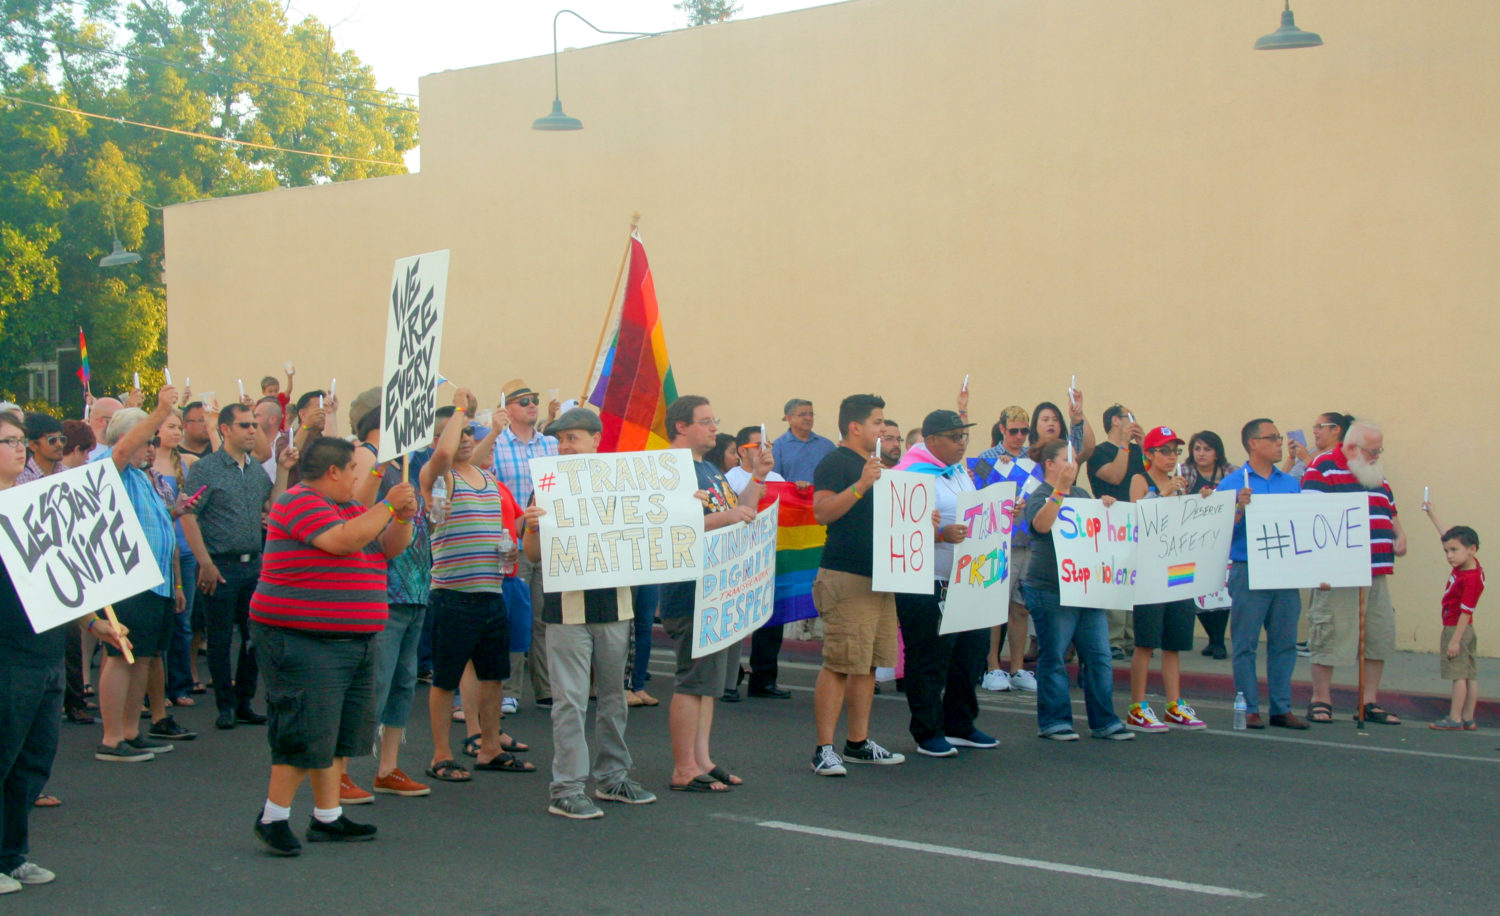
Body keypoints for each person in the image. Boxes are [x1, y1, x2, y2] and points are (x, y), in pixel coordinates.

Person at [249, 436, 417, 856]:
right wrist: (388, 506)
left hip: (350, 636)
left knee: (339, 732)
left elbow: (389, 548)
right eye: (355, 470)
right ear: (334, 472)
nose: (359, 478)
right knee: (306, 729)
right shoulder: (297, 501)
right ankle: (273, 816)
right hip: (302, 638)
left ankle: (327, 815)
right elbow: (343, 541)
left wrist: (402, 518)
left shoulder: (352, 508)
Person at [0, 410, 131, 893]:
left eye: (19, 440)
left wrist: (96, 623)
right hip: (7, 655)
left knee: (32, 760)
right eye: (8, 441)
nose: (19, 447)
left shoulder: (34, 504)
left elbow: (60, 582)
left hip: (45, 654)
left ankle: (12, 855)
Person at [521, 407, 658, 818]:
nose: (565, 447)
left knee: (614, 697)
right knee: (571, 700)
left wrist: (681, 507)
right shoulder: (544, 486)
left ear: (597, 438)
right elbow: (532, 555)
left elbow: (654, 525)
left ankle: (613, 777)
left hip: (616, 606)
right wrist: (530, 527)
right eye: (560, 440)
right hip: (566, 610)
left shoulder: (624, 482)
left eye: (573, 438)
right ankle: (566, 787)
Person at [422, 392, 533, 783]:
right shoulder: (440, 478)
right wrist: (457, 411)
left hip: (490, 592)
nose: (465, 437)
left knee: (492, 676)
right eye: (457, 433)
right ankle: (441, 755)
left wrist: (491, 430)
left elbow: (475, 451)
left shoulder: (485, 476)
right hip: (453, 596)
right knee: (446, 678)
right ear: (438, 440)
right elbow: (444, 456)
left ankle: (489, 747)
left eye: (470, 431)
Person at [661, 396, 770, 791]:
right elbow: (672, 527)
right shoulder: (669, 468)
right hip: (688, 591)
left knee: (708, 685)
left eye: (714, 420)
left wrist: (757, 478)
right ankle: (683, 767)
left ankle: (702, 759)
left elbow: (742, 511)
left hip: (716, 589)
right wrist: (728, 516)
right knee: (692, 681)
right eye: (705, 421)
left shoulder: (708, 468)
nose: (713, 428)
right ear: (681, 427)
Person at [181, 403, 297, 730]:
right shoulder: (206, 468)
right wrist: (203, 561)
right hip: (220, 564)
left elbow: (274, 506)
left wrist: (284, 471)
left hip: (253, 566)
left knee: (254, 637)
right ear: (226, 430)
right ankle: (225, 705)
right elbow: (189, 513)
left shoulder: (256, 468)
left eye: (254, 426)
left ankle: (245, 701)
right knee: (219, 639)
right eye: (245, 425)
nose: (251, 431)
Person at [809, 393, 907, 776]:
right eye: (878, 422)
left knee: (866, 664)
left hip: (879, 576)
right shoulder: (836, 462)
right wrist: (861, 485)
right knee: (838, 662)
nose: (884, 429)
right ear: (855, 426)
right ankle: (823, 748)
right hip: (846, 575)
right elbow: (822, 512)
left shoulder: (875, 464)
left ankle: (857, 742)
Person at [892, 410, 996, 757]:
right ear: (932, 439)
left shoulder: (957, 472)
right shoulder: (908, 474)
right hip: (927, 581)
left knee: (969, 654)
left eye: (964, 436)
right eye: (955, 437)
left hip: (966, 579)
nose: (962, 443)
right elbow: (898, 527)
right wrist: (939, 534)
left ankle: (960, 724)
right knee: (930, 657)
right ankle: (928, 730)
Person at [93, 394, 186, 762]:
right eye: (147, 439)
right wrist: (160, 411)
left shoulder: (143, 478)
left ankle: (131, 731)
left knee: (143, 657)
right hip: (128, 582)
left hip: (157, 582)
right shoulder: (108, 466)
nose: (151, 446)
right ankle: (112, 737)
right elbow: (121, 448)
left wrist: (174, 583)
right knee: (122, 655)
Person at [1023, 439, 1132, 741]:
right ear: (1050, 465)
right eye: (1066, 459)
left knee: (1098, 656)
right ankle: (1054, 721)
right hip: (1051, 589)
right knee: (1055, 656)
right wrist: (1059, 492)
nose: (1073, 464)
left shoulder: (1082, 494)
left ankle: (1104, 720)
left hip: (1087, 588)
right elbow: (1041, 525)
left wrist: (1106, 507)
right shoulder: (1041, 494)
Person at [1301, 420, 1407, 725]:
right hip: (1339, 571)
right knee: (1330, 633)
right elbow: (1312, 518)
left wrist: (1399, 535)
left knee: (1378, 634)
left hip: (1376, 568)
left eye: (1379, 450)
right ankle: (1320, 699)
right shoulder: (1323, 467)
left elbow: (1389, 505)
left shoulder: (1373, 470)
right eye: (1372, 451)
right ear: (1350, 447)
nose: (1376, 456)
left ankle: (1368, 701)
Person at [1216, 419, 1307, 729]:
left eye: (1279, 438)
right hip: (1248, 569)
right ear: (1253, 443)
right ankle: (1249, 706)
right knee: (1245, 643)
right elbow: (1217, 534)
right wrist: (1238, 510)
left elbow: (1301, 530)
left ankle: (1281, 707)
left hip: (1284, 572)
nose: (1280, 443)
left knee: (1284, 643)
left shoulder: (1290, 483)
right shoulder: (1231, 483)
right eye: (1272, 438)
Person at [1123, 427, 1206, 732]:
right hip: (1150, 569)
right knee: (1146, 641)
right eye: (1165, 451)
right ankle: (1137, 705)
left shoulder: (1182, 485)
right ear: (1150, 454)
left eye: (1175, 451)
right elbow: (1138, 516)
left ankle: (1174, 703)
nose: (1171, 457)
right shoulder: (1140, 480)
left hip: (1177, 568)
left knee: (1175, 641)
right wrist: (1164, 492)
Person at [491, 378, 558, 710]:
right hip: (512, 540)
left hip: (545, 539)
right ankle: (509, 691)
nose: (532, 404)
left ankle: (545, 688)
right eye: (523, 401)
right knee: (515, 615)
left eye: (533, 399)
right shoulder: (498, 445)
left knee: (544, 616)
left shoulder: (550, 444)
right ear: (507, 409)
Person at [975, 405, 1038, 693]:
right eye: (1013, 431)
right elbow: (979, 494)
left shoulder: (1033, 458)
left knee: (1020, 608)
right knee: (994, 607)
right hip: (999, 541)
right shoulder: (988, 458)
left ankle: (1017, 668)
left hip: (1026, 540)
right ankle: (992, 667)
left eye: (1024, 431)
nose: (1019, 437)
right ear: (1002, 429)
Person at [726, 427, 791, 700]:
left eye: (769, 445)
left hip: (768, 557)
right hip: (739, 559)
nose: (766, 450)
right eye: (759, 445)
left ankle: (764, 679)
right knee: (734, 620)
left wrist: (796, 489)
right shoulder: (730, 478)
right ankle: (730, 677)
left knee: (770, 622)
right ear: (743, 450)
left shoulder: (777, 477)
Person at [1420, 499, 1483, 731]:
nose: (1449, 555)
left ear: (1472, 549)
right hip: (1463, 629)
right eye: (1447, 551)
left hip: (1457, 628)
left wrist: (1455, 640)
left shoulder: (1470, 579)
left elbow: (1467, 611)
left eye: (1454, 551)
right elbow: (1448, 536)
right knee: (1469, 673)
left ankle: (1455, 718)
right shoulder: (1468, 565)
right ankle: (1469, 717)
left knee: (1459, 675)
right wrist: (1432, 514)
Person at [1086, 403, 1141, 659]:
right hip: (1110, 523)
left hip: (1136, 521)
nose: (1133, 420)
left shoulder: (1136, 450)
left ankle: (1132, 637)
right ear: (1115, 422)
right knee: (1117, 579)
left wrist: (1144, 448)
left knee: (1134, 581)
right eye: (1128, 417)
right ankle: (1114, 639)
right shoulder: (1100, 452)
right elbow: (1115, 476)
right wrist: (1125, 446)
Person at [1182, 431, 1236, 659]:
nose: (1201, 454)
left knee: (1220, 591)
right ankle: (1214, 638)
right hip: (1192, 541)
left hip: (1223, 539)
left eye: (1207, 449)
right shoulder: (1184, 471)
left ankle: (1217, 640)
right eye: (1197, 449)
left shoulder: (1230, 471)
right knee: (1197, 591)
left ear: (1217, 452)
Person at [772, 398, 835, 487]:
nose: (808, 418)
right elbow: (774, 481)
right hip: (791, 499)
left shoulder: (827, 445)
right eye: (802, 415)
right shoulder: (778, 447)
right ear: (789, 418)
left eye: (811, 414)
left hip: (821, 499)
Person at [16, 413, 64, 486]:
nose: (59, 444)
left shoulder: (67, 473)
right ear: (33, 446)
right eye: (52, 440)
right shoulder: (20, 481)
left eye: (61, 439)